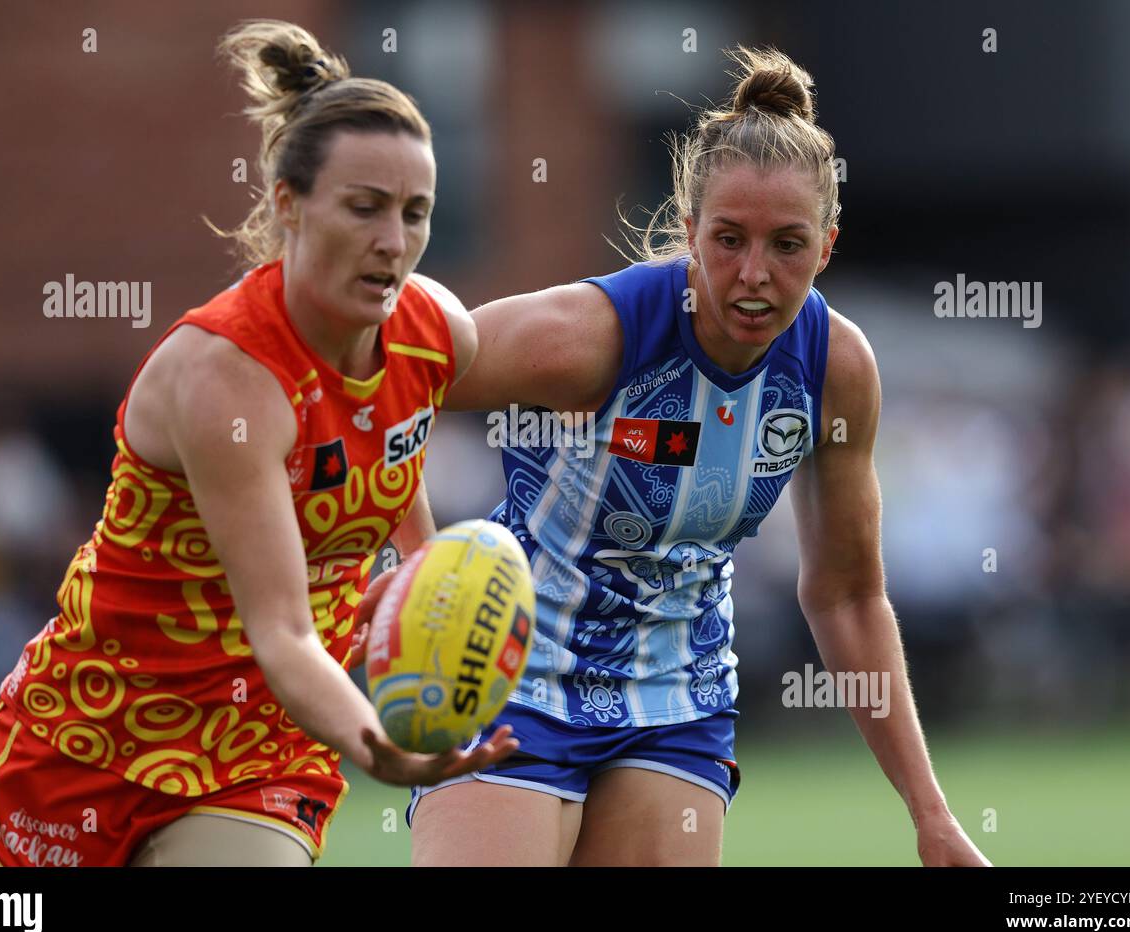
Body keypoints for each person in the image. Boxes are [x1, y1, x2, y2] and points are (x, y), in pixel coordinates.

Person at [401, 46, 991, 866]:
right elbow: (384, 381)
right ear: (687, 233)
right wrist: (410, 560)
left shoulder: (836, 371)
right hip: (511, 673)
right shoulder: (584, 337)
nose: (754, 275)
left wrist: (932, 816)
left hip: (676, 695)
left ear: (826, 246)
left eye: (787, 245)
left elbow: (849, 596)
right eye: (728, 240)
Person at [0, 18, 515, 868]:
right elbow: (285, 632)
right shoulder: (229, 380)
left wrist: (417, 561)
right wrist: (383, 749)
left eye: (416, 213)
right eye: (364, 208)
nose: (393, 243)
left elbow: (389, 451)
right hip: (84, 742)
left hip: (264, 749)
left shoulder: (438, 334)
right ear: (289, 204)